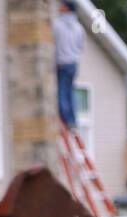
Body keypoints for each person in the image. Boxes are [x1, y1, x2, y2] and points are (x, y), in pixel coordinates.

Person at [53, 0, 86, 130]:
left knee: (62, 92)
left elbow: (52, 42)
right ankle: (72, 120)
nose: (60, 7)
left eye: (63, 6)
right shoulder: (79, 28)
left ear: (67, 9)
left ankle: (65, 119)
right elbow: (81, 47)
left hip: (62, 63)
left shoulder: (58, 25)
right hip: (73, 64)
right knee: (70, 92)